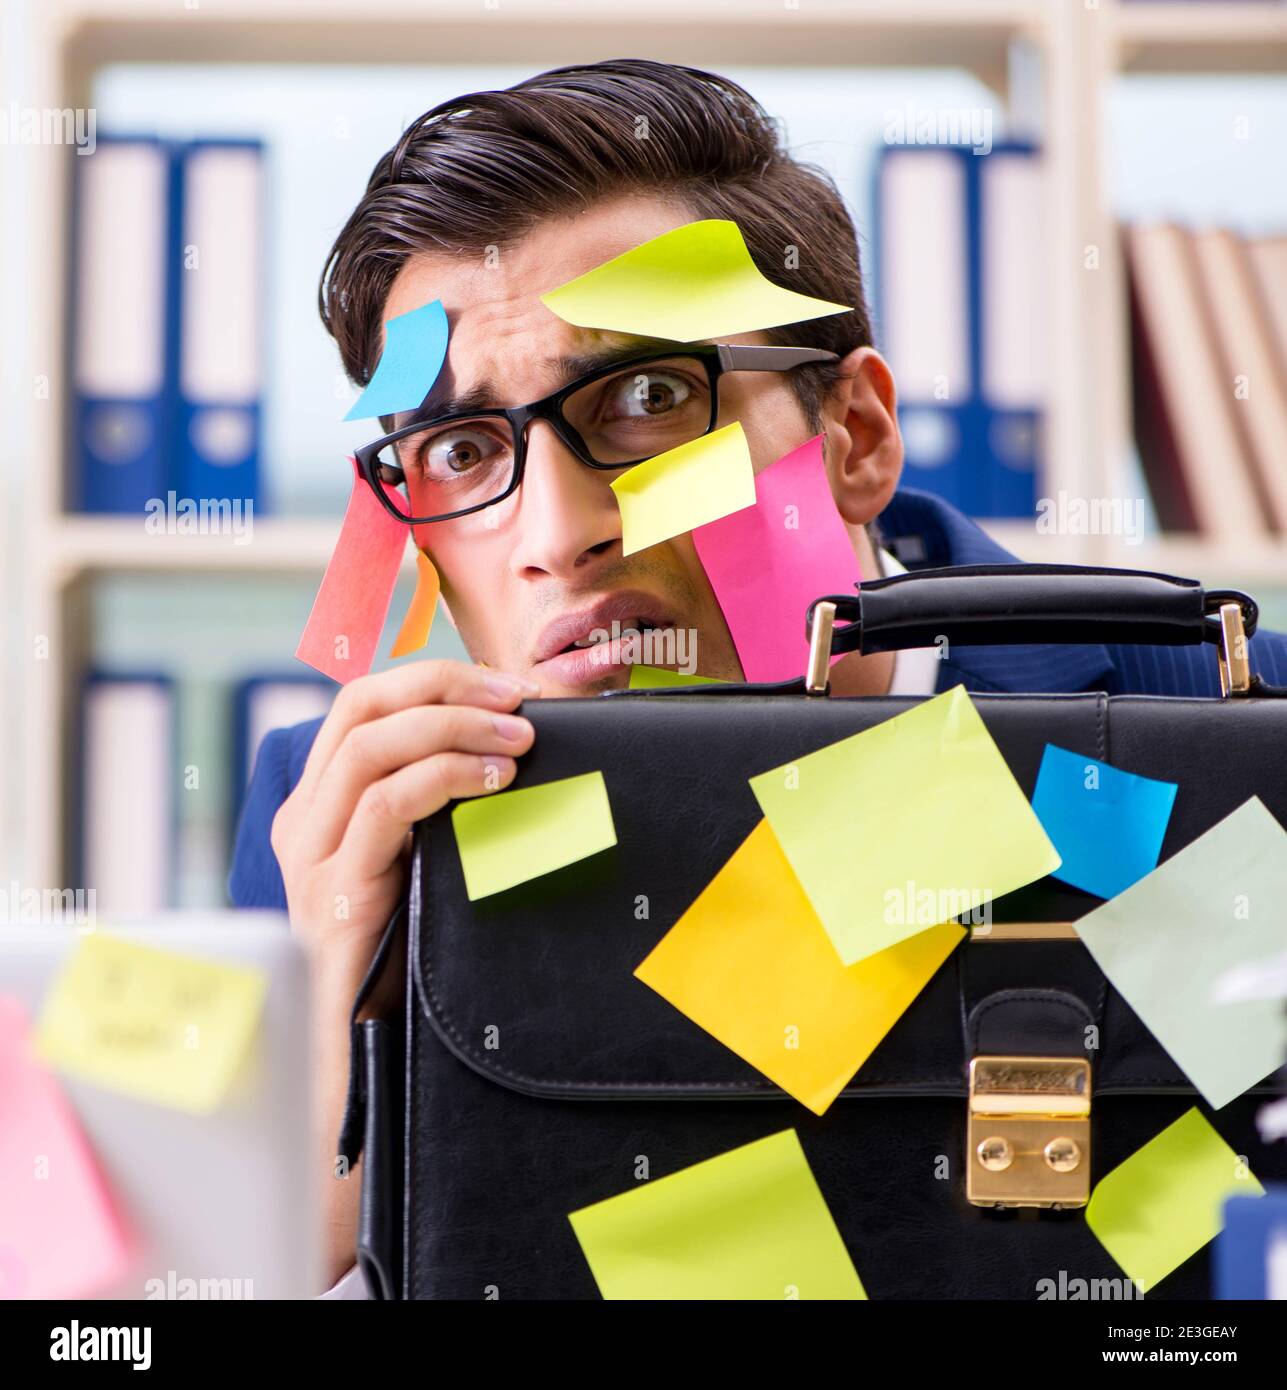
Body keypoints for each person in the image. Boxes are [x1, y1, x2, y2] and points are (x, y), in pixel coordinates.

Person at [229, 59, 1287, 1290]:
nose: (556, 534)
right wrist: (320, 1037)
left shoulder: (1228, 724)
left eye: (646, 394)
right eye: (462, 449)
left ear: (856, 436)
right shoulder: (336, 814)